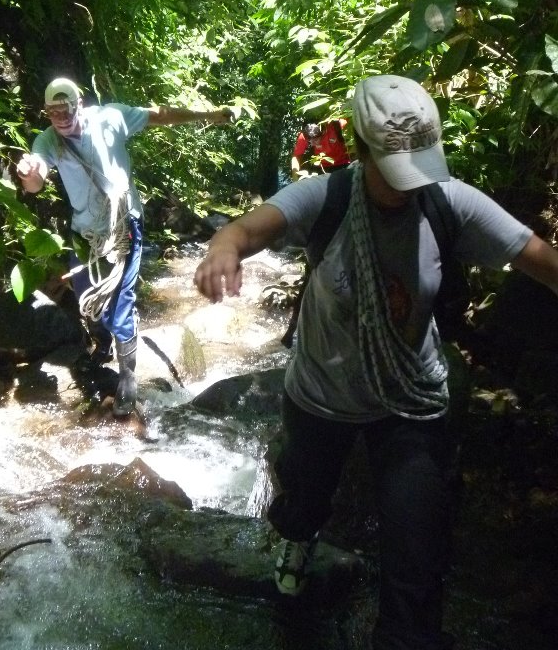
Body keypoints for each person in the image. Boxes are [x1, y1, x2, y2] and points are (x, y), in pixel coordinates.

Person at [194, 74, 558, 650]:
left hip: (411, 403)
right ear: (361, 151)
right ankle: (300, 535)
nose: (407, 181)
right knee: (304, 502)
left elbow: (536, 258)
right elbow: (244, 230)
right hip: (321, 395)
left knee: (417, 562)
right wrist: (223, 250)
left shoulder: (447, 203)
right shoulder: (328, 197)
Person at [18, 77, 234, 418]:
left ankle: (128, 375)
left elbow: (159, 115)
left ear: (80, 105)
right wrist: (29, 172)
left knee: (121, 300)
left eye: (65, 109)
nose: (60, 117)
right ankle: (102, 342)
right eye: (52, 111)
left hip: (124, 224)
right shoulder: (48, 140)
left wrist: (207, 115)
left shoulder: (111, 118)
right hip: (85, 233)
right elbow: (35, 181)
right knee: (88, 296)